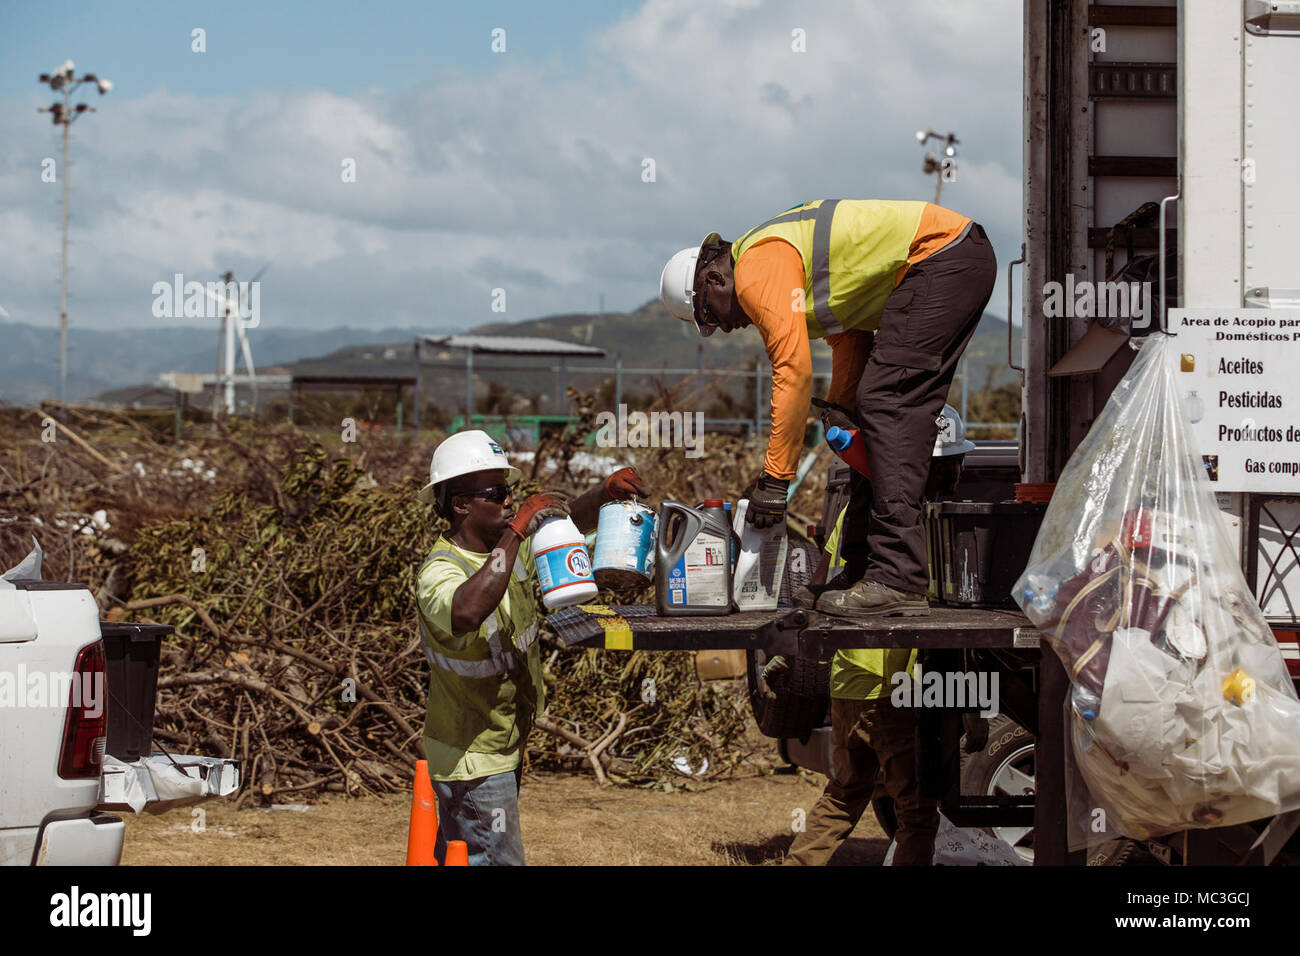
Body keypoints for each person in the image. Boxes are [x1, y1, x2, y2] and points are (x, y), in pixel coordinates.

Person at [660, 199, 996, 616]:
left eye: (709, 314)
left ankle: (897, 578)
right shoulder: (780, 264)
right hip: (951, 260)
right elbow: (849, 333)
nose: (724, 327)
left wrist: (776, 480)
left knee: (885, 403)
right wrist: (840, 404)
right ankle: (863, 571)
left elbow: (793, 369)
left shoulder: (755, 269)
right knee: (868, 412)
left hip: (940, 256)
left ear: (714, 278)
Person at [414, 430, 648, 865]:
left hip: (501, 741)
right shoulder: (441, 571)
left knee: (463, 855)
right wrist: (519, 527)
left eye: (510, 491)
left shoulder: (505, 551)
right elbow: (466, 611)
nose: (508, 502)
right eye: (496, 492)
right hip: (473, 756)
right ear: (461, 504)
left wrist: (604, 493)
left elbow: (563, 521)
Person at [782, 406, 973, 866]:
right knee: (918, 807)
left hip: (849, 682)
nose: (953, 475)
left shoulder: (857, 511)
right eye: (949, 466)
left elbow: (823, 585)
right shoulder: (913, 526)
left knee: (846, 791)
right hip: (893, 687)